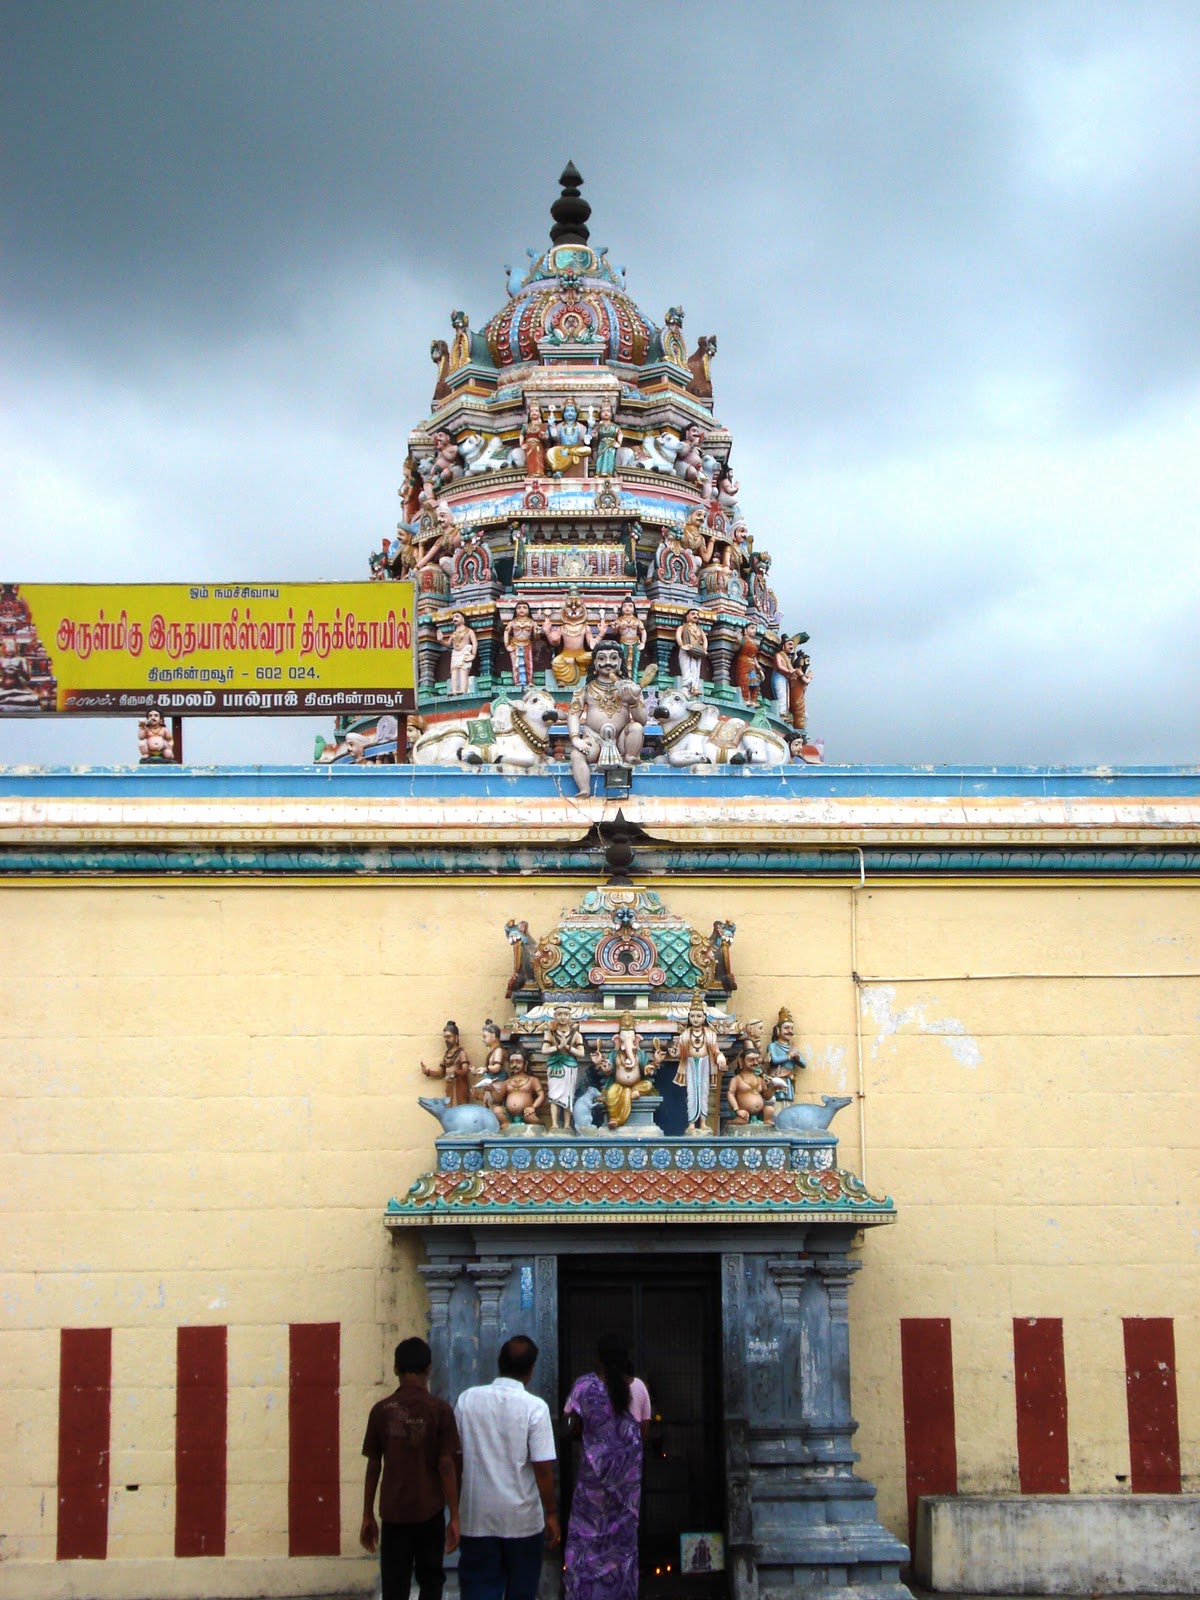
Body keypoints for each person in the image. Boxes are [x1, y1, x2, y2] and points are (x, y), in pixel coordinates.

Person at [455, 1335, 559, 1600]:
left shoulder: (467, 1400)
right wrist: (551, 1513)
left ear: (499, 1363)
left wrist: (455, 1509)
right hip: (522, 1520)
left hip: (476, 1517)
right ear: (531, 1370)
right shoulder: (535, 1408)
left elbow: (455, 1458)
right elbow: (543, 1469)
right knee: (522, 1591)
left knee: (478, 1589)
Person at [360, 1336, 462, 1600]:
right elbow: (446, 1465)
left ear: (395, 1369)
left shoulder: (381, 1411)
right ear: (429, 1369)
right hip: (430, 1510)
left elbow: (373, 1466)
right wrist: (455, 1515)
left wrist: (367, 1514)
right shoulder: (440, 1410)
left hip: (393, 1513)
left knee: (395, 1585)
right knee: (431, 1581)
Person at [562, 1335, 645, 1600]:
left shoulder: (584, 1386)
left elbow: (567, 1427)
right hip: (627, 1489)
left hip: (592, 1486)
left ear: (598, 1358)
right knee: (623, 1548)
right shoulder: (639, 1388)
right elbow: (644, 1432)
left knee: (586, 1539)